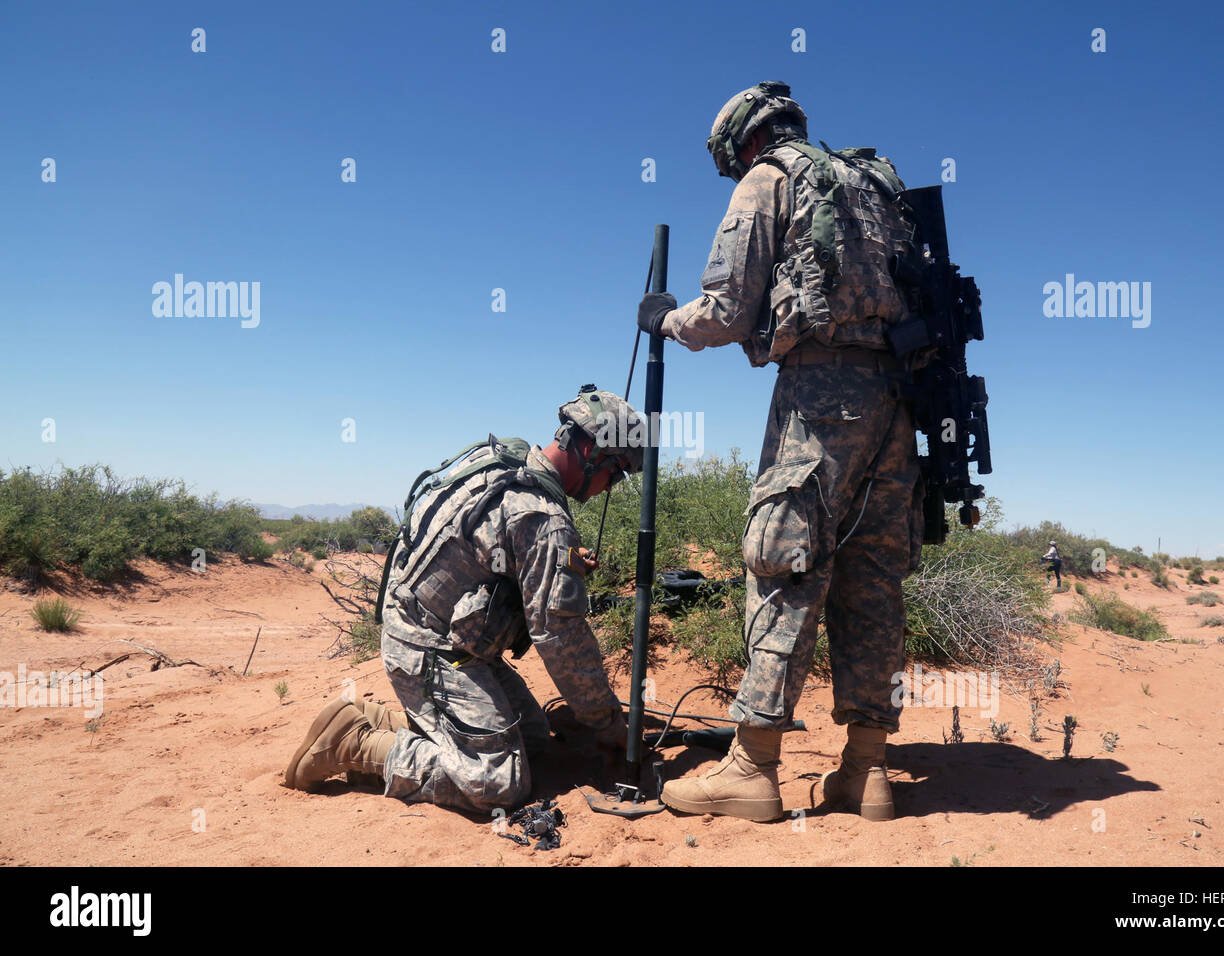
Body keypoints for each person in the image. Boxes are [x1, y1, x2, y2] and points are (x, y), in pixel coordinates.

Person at [637, 81, 927, 822]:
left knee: (783, 563)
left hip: (821, 399)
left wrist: (670, 321)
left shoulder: (772, 179)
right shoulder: (874, 185)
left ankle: (751, 769)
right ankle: (867, 772)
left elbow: (730, 311)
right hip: (897, 404)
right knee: (872, 586)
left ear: (743, 145)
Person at [283, 386, 645, 814]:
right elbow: (560, 636)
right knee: (499, 781)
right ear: (589, 450)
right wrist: (608, 724)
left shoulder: (504, 462)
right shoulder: (541, 517)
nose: (608, 489)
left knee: (531, 741)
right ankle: (356, 744)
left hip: (445, 642)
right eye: (616, 473)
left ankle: (387, 722)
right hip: (432, 650)